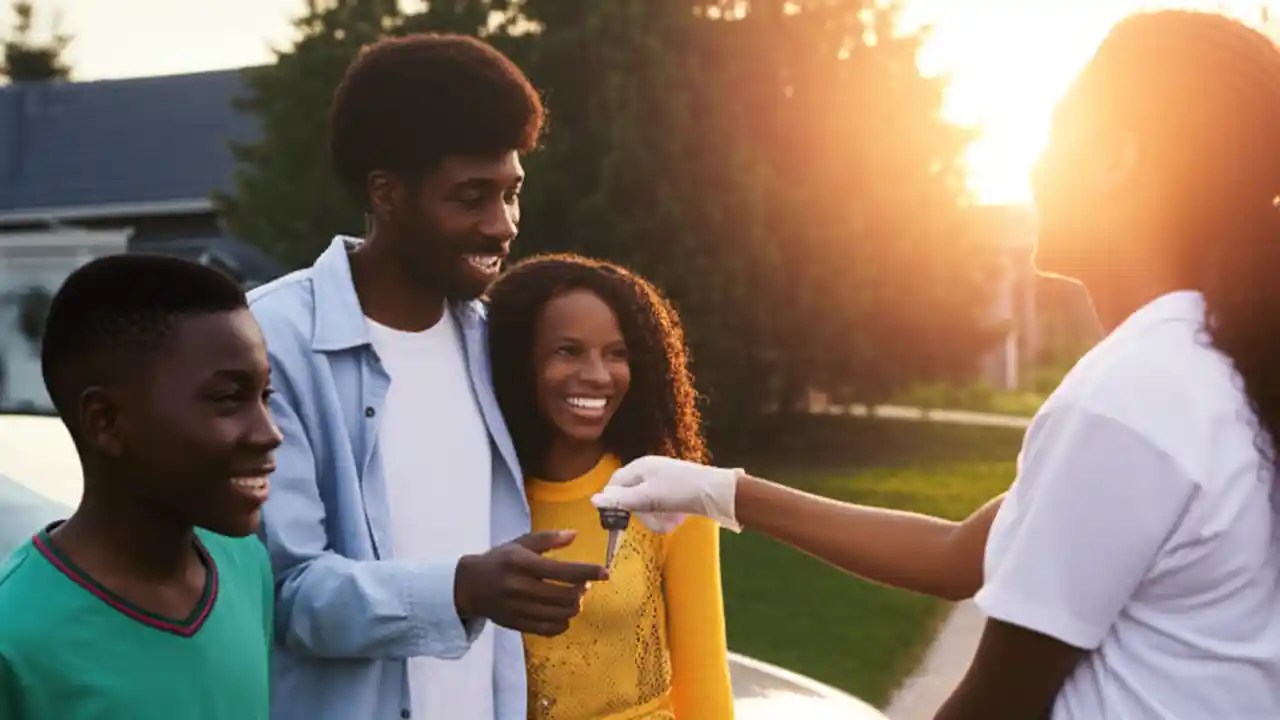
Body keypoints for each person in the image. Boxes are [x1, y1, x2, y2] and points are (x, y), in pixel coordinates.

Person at [597, 10, 1280, 719]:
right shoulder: (1217, 365)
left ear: (1117, 160)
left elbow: (997, 703)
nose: (1037, 161)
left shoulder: (1131, 395)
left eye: (1055, 130)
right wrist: (720, 491)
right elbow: (960, 555)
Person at [249, 33, 605, 720]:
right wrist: (463, 588)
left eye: (512, 193)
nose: (502, 226)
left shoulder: (496, 343)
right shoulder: (270, 342)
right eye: (470, 197)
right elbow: (287, 592)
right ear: (387, 193)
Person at [0, 254, 281, 719]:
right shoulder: (15, 636)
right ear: (106, 422)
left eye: (265, 395)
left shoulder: (245, 565)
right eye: (229, 399)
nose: (270, 432)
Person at [486, 255, 734, 719]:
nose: (598, 375)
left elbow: (703, 681)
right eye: (569, 351)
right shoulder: (480, 491)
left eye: (616, 353)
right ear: (521, 361)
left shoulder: (669, 495)